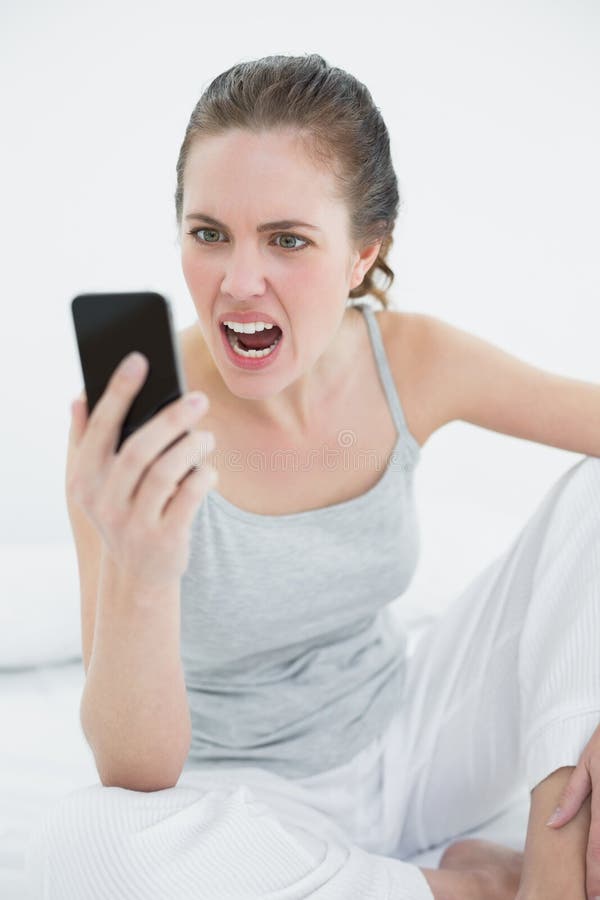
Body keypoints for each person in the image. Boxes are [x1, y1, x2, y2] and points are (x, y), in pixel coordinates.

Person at [26, 53, 600, 899]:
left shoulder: (412, 361)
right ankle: (471, 890)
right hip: (248, 797)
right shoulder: (125, 430)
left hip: (414, 735)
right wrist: (142, 571)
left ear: (362, 255)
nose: (239, 282)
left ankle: (549, 877)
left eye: (288, 240)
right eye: (209, 233)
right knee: (79, 848)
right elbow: (135, 772)